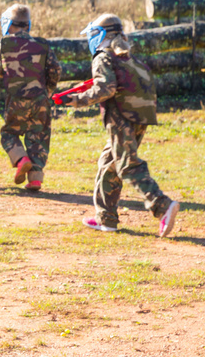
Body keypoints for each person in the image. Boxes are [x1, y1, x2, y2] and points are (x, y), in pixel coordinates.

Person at [60, 13, 180, 237]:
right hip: (140, 116)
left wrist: (75, 100)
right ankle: (106, 219)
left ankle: (162, 205)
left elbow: (106, 88)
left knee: (127, 165)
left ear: (101, 35)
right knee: (109, 162)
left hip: (120, 116)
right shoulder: (128, 57)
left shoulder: (103, 57)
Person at [0, 4, 62, 191]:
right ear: (28, 24)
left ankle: (21, 159)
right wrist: (49, 89)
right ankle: (35, 178)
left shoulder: (2, 46)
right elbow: (55, 70)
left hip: (15, 99)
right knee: (38, 136)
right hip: (40, 99)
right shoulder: (42, 45)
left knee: (9, 133)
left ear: (7, 24)